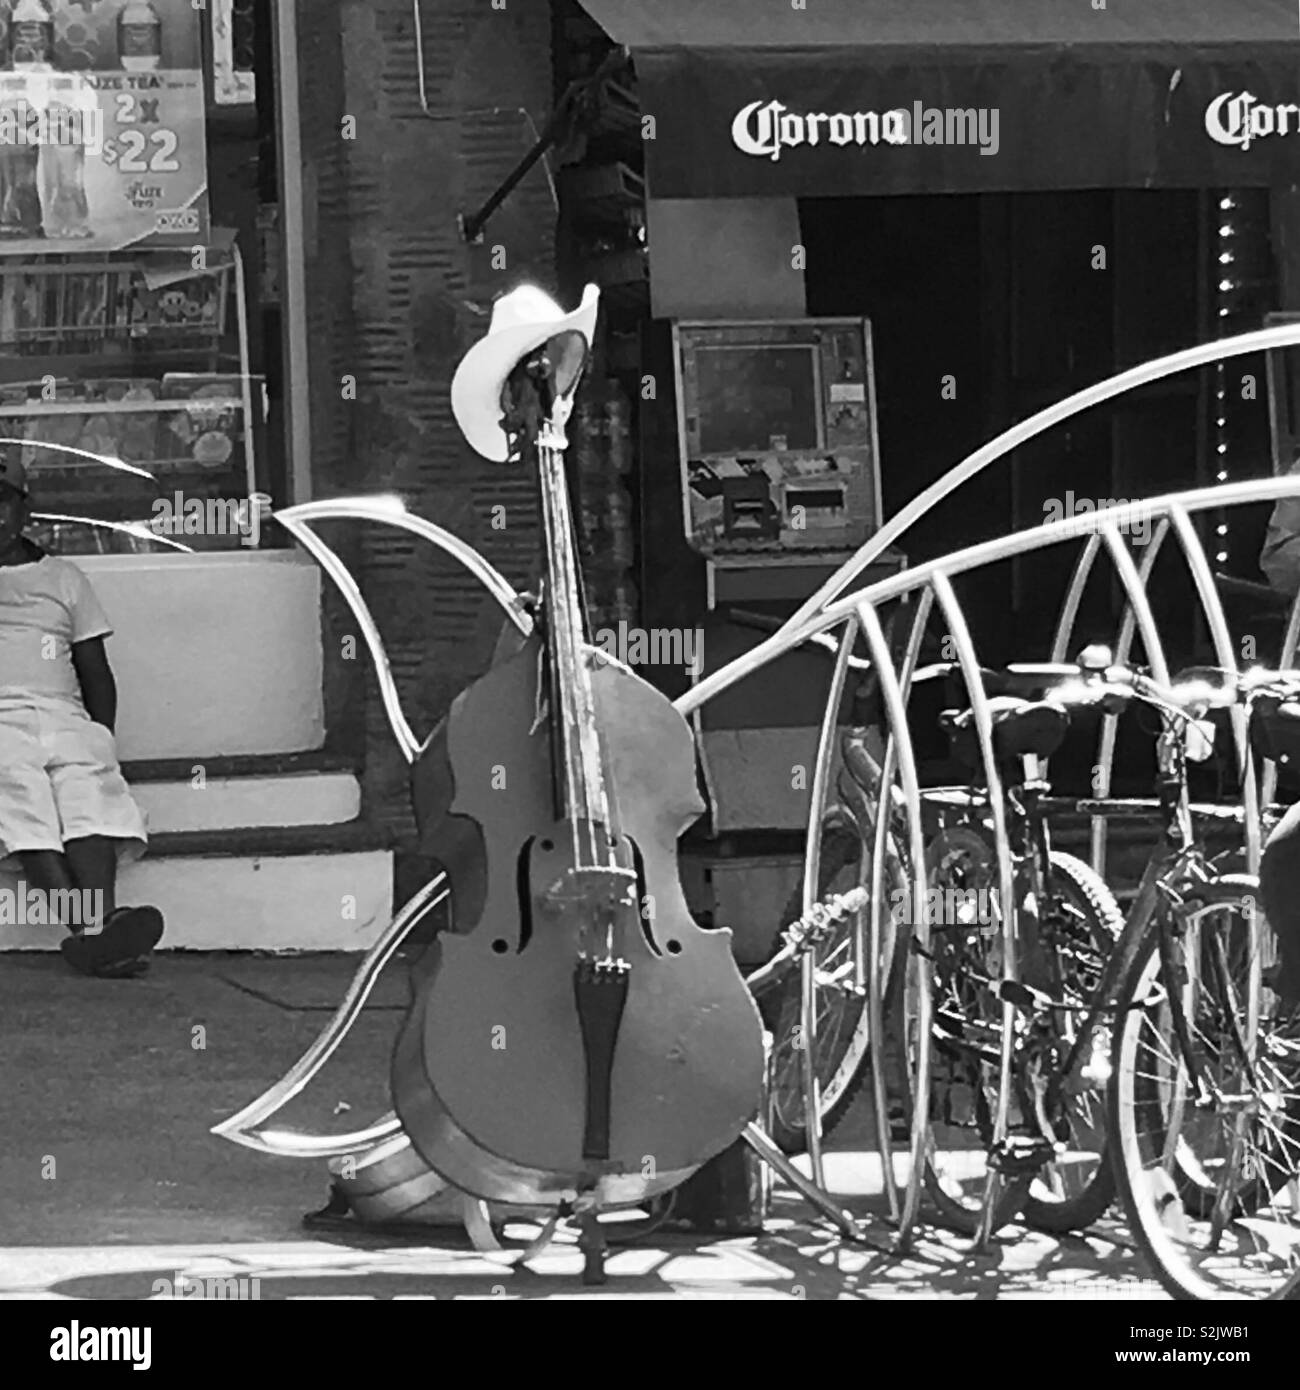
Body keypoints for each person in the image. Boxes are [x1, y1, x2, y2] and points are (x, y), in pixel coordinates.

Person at [0, 456, 163, 976]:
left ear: (23, 510)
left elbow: (95, 668)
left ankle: (100, 931)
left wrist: (100, 736)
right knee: (18, 793)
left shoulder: (65, 577)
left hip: (64, 713)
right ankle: (95, 931)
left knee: (87, 790)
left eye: (1, 502)